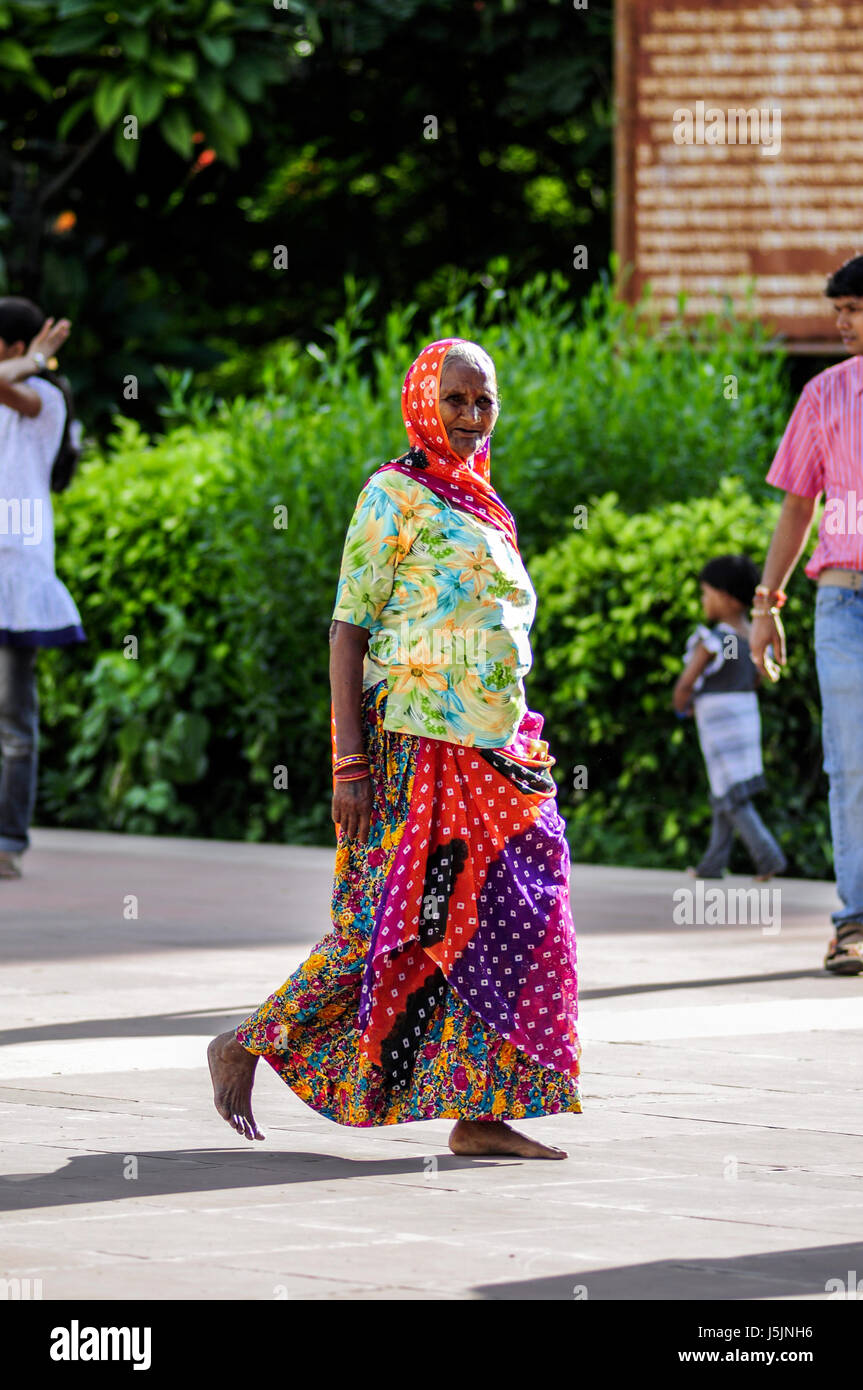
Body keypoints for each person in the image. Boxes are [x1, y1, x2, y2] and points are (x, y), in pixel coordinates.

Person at [209, 338, 581, 1158]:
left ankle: (481, 1116)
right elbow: (347, 630)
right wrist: (349, 762)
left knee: (513, 918)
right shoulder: (392, 495)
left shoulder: (486, 502)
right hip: (414, 742)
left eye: (483, 401)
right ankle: (245, 1043)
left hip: (497, 747)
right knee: (387, 921)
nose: (470, 417)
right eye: (454, 400)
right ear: (423, 403)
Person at [751, 253, 863, 974]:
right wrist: (765, 605)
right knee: (849, 764)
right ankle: (853, 922)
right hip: (841, 602)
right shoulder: (824, 395)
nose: (842, 323)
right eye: (839, 312)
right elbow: (798, 504)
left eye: (852, 310)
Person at [0, 299, 80, 880]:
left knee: (12, 722)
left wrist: (35, 364)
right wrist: (32, 358)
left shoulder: (44, 400)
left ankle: (7, 842)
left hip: (18, 580)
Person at [673, 554, 787, 881]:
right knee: (726, 791)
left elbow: (686, 682)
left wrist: (682, 705)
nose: (703, 600)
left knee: (732, 796)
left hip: (717, 720)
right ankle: (712, 864)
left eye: (705, 593)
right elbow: (757, 677)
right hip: (745, 716)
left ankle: (768, 856)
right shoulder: (753, 638)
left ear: (724, 597)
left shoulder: (713, 640)